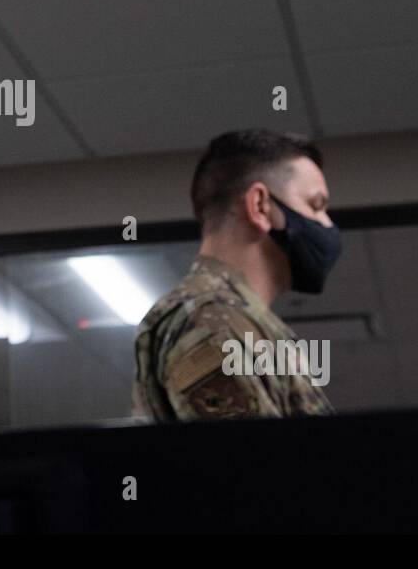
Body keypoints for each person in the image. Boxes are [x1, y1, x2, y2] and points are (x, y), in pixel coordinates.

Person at [134, 129, 339, 421]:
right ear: (260, 206)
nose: (327, 225)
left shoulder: (242, 322)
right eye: (316, 205)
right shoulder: (212, 322)